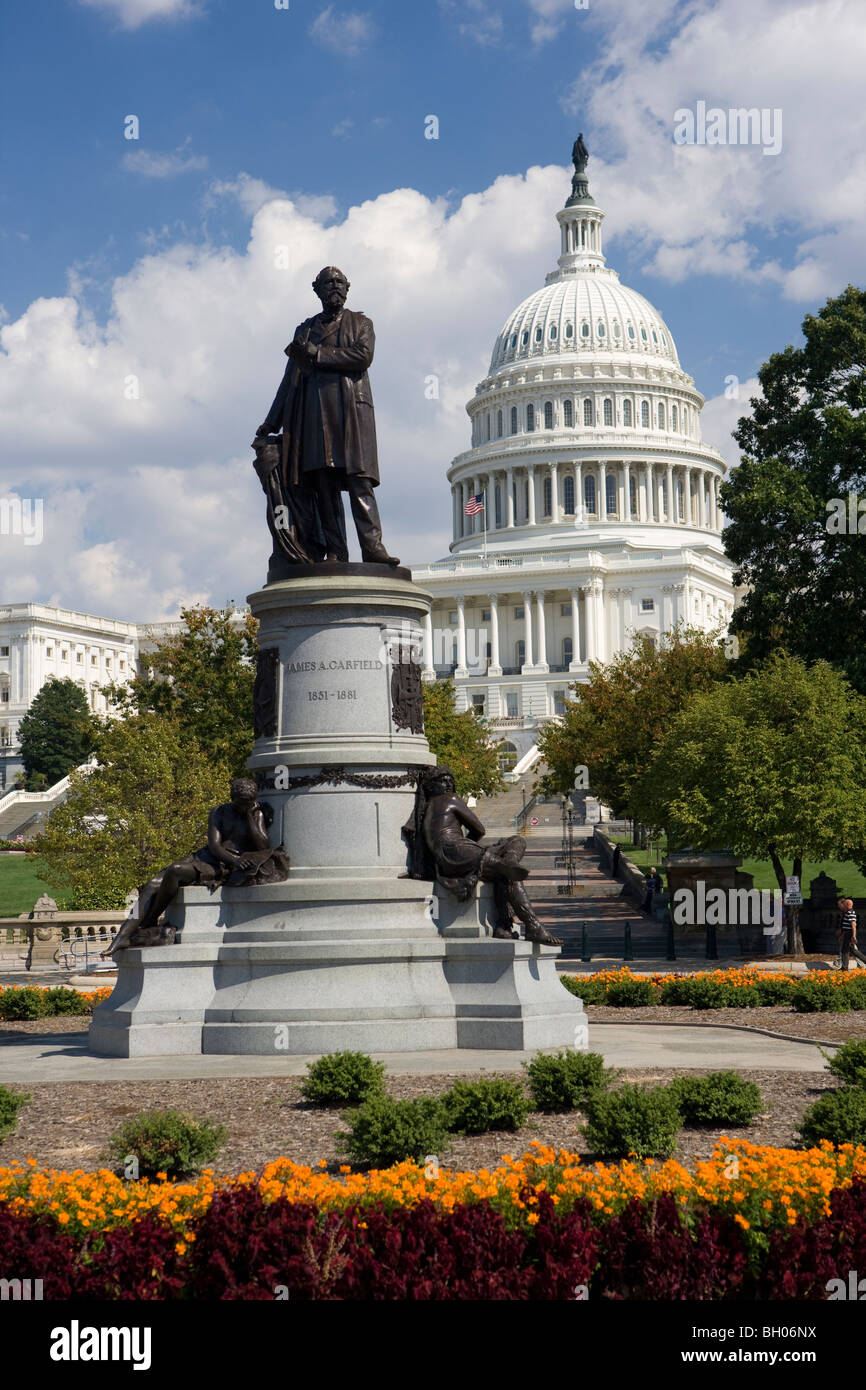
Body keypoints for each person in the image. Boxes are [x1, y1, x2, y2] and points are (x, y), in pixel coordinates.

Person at [255, 266, 399, 567]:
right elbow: (289, 379)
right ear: (316, 289)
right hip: (314, 417)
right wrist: (272, 421)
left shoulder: (361, 323)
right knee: (324, 486)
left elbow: (362, 356)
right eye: (327, 283)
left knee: (360, 483)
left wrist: (317, 355)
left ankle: (373, 547)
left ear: (347, 288)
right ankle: (337, 551)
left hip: (351, 414)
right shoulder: (304, 330)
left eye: (339, 283)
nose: (334, 287)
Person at [103, 778, 289, 957]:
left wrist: (250, 816)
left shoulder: (256, 813)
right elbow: (214, 846)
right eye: (240, 802)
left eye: (247, 802)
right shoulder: (219, 812)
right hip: (211, 857)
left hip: (223, 867)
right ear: (232, 798)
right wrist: (234, 861)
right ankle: (124, 935)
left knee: (175, 870)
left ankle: (140, 926)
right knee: (152, 883)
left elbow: (262, 845)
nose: (243, 806)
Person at [403, 766, 561, 946]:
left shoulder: (425, 809)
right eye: (443, 781)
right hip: (457, 849)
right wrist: (469, 848)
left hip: (445, 859)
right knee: (514, 850)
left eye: (450, 780)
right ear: (431, 787)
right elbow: (479, 830)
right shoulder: (450, 799)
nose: (448, 784)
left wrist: (471, 851)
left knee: (506, 862)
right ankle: (533, 926)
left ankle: (503, 925)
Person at [837, 897, 866, 971]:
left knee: (845, 951)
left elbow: (853, 925)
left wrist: (853, 935)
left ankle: (844, 968)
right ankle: (844, 968)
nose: (842, 905)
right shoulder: (847, 912)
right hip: (847, 933)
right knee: (853, 951)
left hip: (849, 934)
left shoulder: (850, 913)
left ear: (847, 904)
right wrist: (842, 935)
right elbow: (846, 927)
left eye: (844, 904)